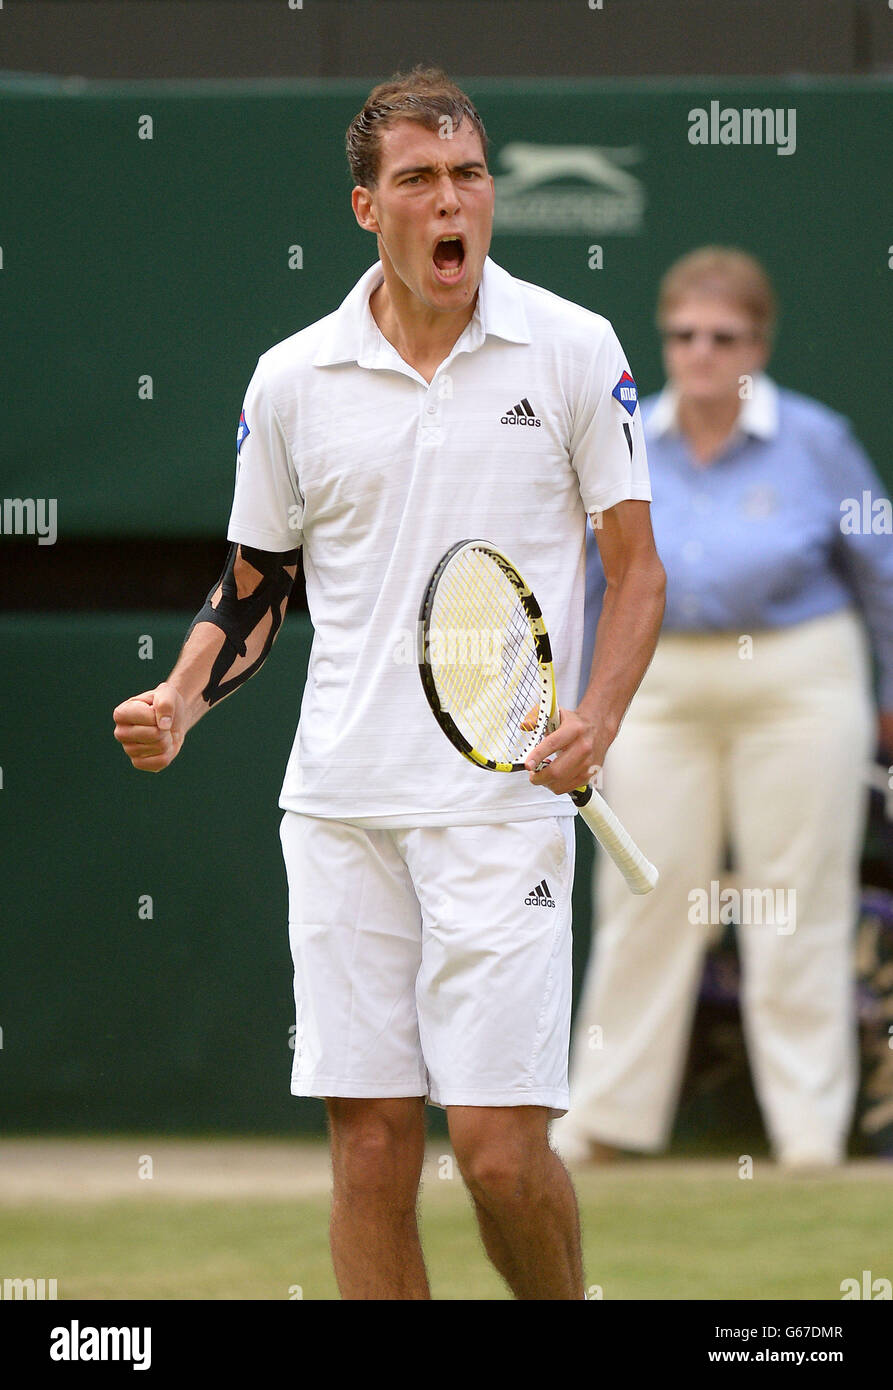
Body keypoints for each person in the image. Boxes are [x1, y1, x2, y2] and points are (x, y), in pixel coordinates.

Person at [112, 66, 665, 1299]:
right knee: (369, 1151)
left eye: (467, 173)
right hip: (342, 807)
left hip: (501, 809)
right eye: (417, 179)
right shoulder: (291, 378)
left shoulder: (575, 350)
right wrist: (180, 699)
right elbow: (253, 586)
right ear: (368, 207)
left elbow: (635, 573)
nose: (449, 198)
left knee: (498, 1154)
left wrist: (599, 714)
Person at [552, 247, 893, 1172]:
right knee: (642, 894)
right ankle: (606, 1122)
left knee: (794, 907)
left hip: (799, 681)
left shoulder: (818, 438)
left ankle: (808, 1137)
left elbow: (882, 569)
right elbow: (592, 578)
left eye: (723, 337)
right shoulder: (626, 437)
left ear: (759, 343)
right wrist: (579, 704)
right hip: (653, 685)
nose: (701, 353)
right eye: (683, 335)